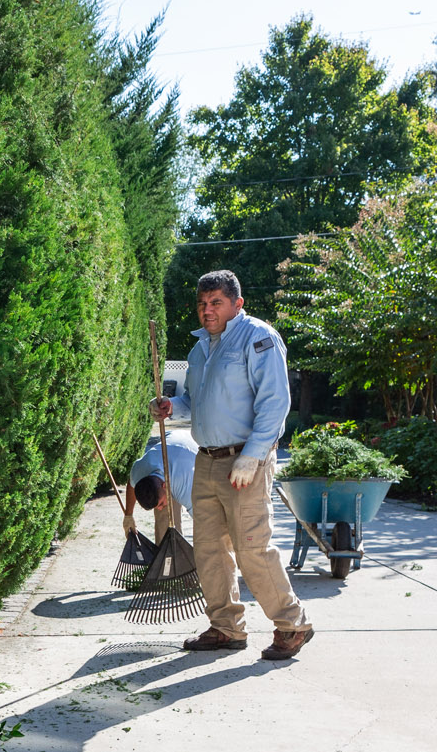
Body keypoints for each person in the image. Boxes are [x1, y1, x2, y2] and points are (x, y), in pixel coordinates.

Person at [150, 271, 313, 660]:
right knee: (209, 551)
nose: (207, 311)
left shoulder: (257, 338)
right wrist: (173, 409)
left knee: (252, 547)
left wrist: (253, 456)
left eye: (216, 303)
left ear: (237, 304)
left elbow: (275, 402)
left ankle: (293, 625)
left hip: (245, 462)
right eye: (203, 304)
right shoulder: (200, 348)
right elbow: (195, 400)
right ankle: (226, 628)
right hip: (207, 459)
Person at [125, 428, 197, 544]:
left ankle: (179, 553)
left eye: (160, 504)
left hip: (193, 447)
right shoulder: (140, 471)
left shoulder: (185, 485)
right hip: (168, 445)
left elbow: (202, 521)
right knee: (164, 515)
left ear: (165, 485)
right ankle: (166, 555)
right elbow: (131, 484)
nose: (158, 508)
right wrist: (128, 515)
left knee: (205, 531)